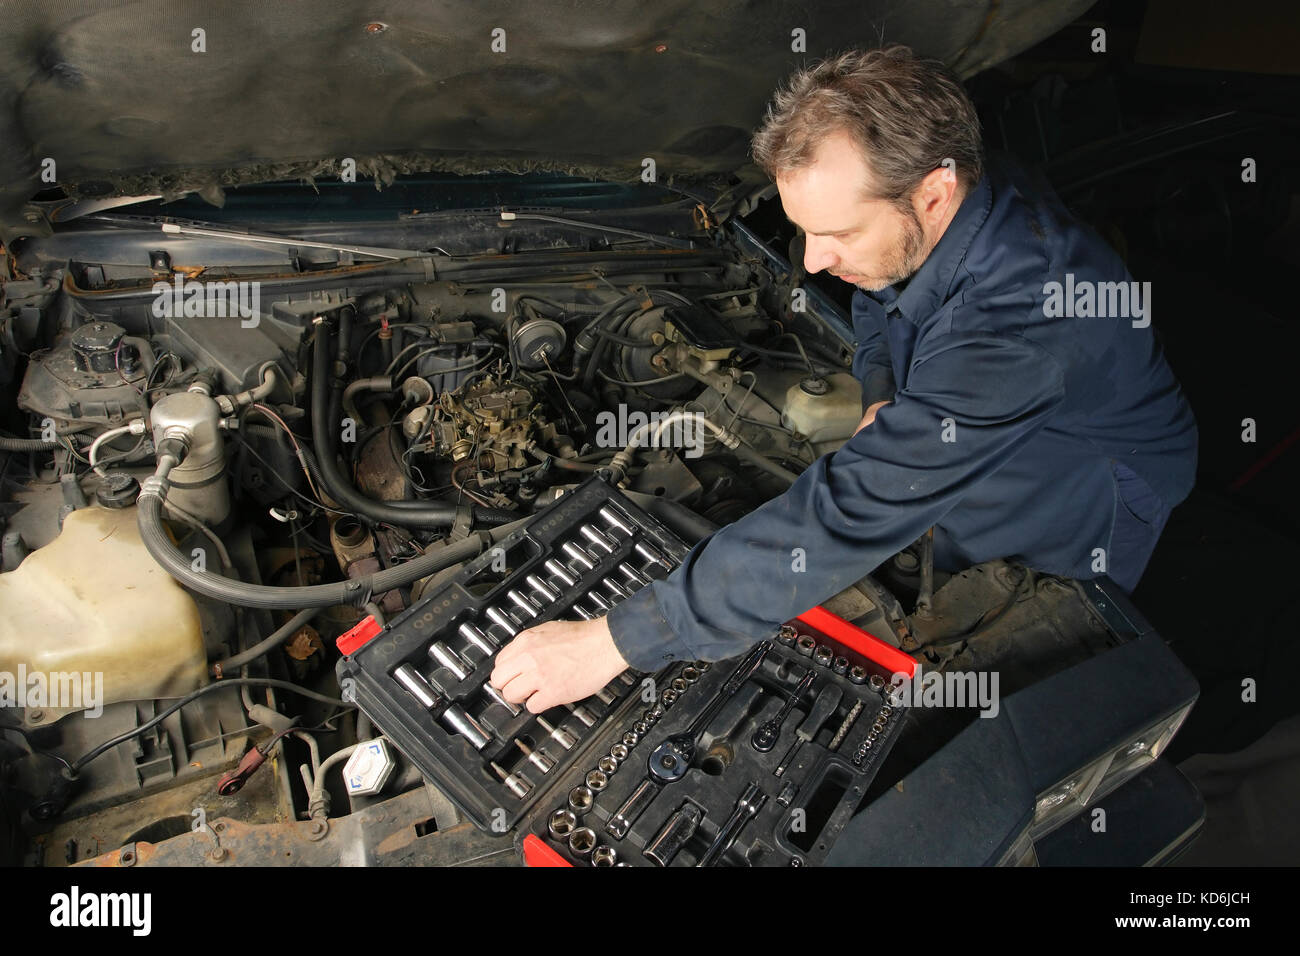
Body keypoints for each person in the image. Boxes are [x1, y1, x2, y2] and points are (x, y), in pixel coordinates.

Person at [491, 45, 1197, 713]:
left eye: (839, 235)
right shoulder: (934, 199)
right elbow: (880, 300)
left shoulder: (1024, 317)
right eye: (804, 230)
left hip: (1087, 478)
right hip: (988, 401)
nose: (813, 263)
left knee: (1030, 616)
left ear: (934, 193)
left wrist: (616, 640)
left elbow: (851, 511)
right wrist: (884, 392)